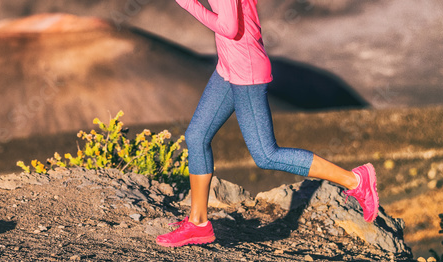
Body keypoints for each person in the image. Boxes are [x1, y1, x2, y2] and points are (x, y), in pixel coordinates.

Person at [157, 0, 379, 247]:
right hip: (228, 67)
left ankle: (356, 181)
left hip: (246, 71)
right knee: (197, 136)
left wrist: (189, 4)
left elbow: (229, 28)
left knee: (265, 155)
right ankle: (198, 224)